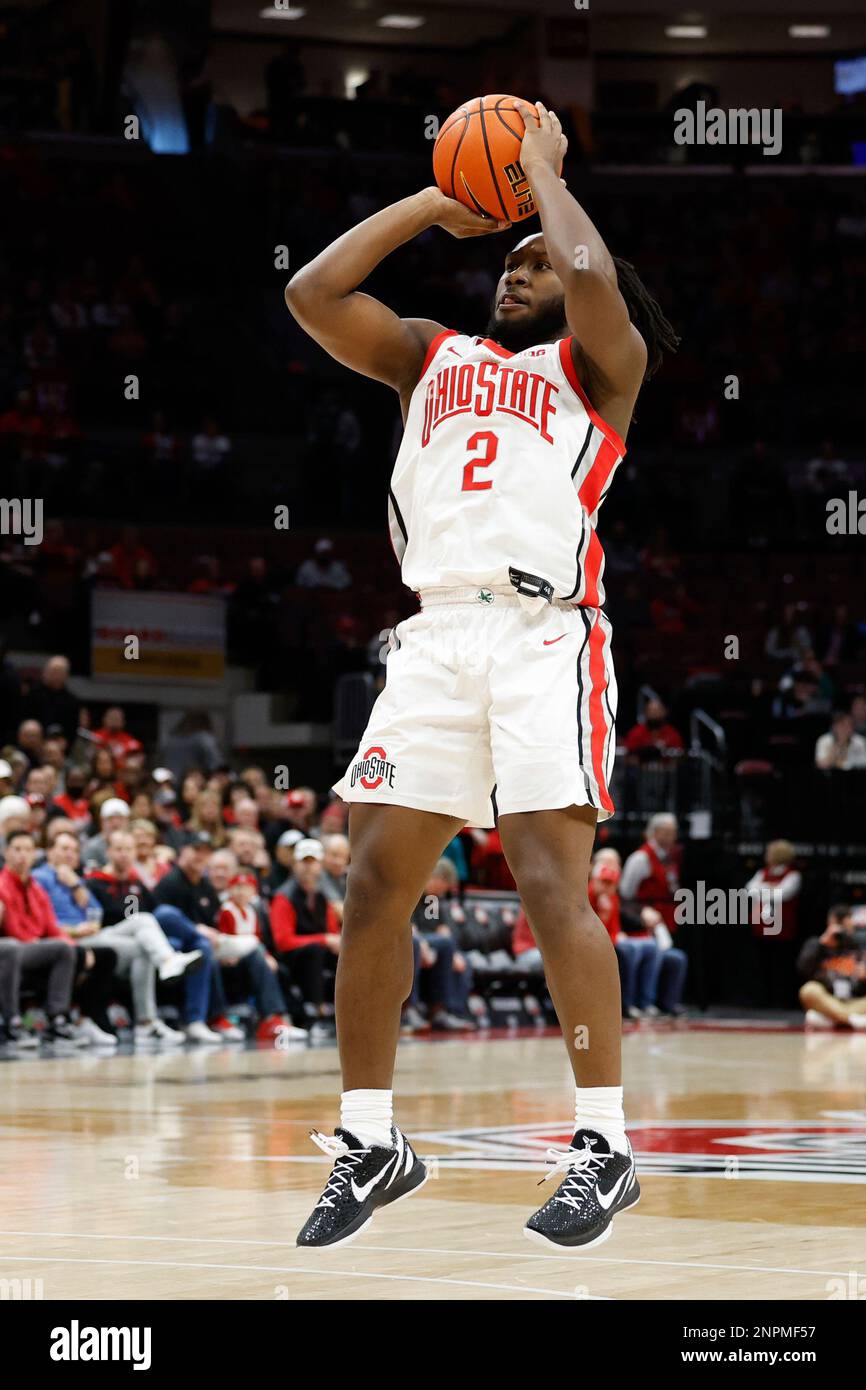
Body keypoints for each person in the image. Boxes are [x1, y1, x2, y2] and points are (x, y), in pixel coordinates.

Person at [285, 100, 679, 1248]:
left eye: (528, 261)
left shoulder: (600, 368)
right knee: (372, 882)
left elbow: (590, 270)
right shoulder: (429, 355)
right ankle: (372, 1139)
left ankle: (601, 1144)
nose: (513, 272)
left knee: (549, 881)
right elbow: (310, 295)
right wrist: (440, 203)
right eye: (500, 261)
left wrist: (544, 177)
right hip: (434, 635)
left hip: (544, 633)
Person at [86, 829, 207, 1044]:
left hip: (132, 947)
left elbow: (157, 913)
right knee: (141, 920)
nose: (124, 854)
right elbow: (91, 919)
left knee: (144, 942)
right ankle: (168, 960)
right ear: (108, 852)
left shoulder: (136, 884)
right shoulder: (94, 883)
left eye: (128, 849)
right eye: (119, 849)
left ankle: (146, 1023)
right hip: (102, 940)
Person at [619, 814, 688, 1016]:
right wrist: (642, 913)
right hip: (641, 925)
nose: (671, 836)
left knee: (676, 958)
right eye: (667, 832)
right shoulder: (640, 858)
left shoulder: (670, 857)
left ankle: (666, 1003)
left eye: (673, 832)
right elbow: (625, 895)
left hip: (664, 923)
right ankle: (641, 1003)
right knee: (650, 950)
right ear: (655, 832)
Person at [797, 906, 866, 1030]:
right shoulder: (816, 944)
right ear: (831, 924)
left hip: (854, 1001)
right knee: (809, 990)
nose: (845, 932)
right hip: (828, 1000)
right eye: (843, 927)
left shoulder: (857, 949)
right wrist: (821, 943)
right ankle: (851, 1021)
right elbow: (802, 968)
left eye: (849, 928)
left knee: (814, 1016)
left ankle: (831, 1020)